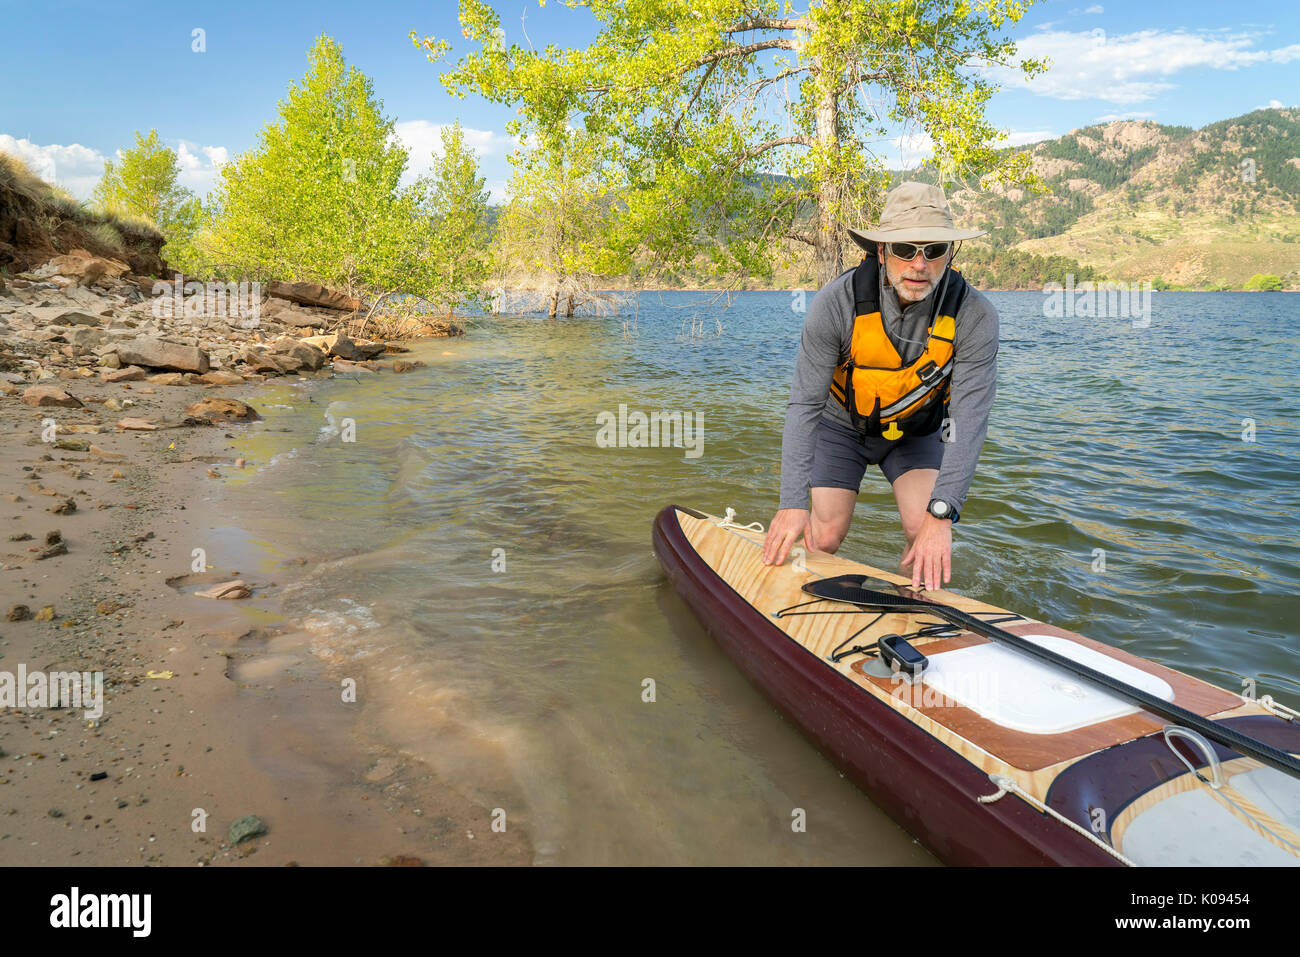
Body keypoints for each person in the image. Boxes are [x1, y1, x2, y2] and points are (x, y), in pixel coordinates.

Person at [761, 181, 999, 591]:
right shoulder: (836, 303)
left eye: (933, 250)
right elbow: (804, 405)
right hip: (841, 427)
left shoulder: (975, 315)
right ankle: (796, 602)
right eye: (905, 249)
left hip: (914, 432)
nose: (919, 264)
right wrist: (791, 502)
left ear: (951, 254)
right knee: (827, 533)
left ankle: (908, 609)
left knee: (920, 525)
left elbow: (969, 420)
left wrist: (942, 514)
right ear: (881, 251)